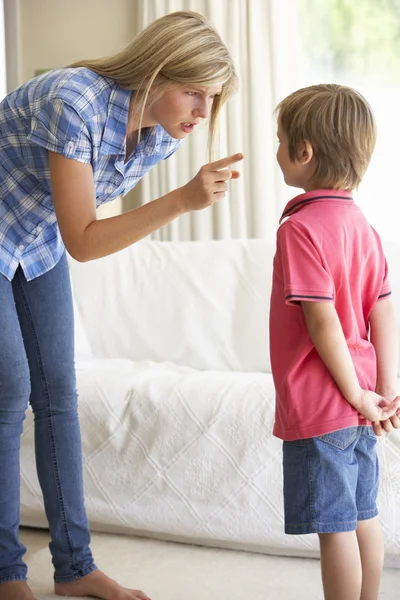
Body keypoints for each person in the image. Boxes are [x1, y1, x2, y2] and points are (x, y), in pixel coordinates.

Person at [0, 10, 243, 600]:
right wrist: (182, 202)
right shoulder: (74, 102)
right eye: (194, 92)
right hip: (26, 231)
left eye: (212, 98)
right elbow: (86, 239)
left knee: (58, 391)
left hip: (35, 236)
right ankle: (6, 570)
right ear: (157, 72)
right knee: (8, 390)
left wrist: (179, 194)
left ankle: (74, 567)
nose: (202, 113)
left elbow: (71, 231)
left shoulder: (161, 135)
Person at [269, 83, 400, 600]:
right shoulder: (362, 226)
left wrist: (351, 394)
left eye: (279, 141)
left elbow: (322, 323)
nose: (276, 151)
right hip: (363, 400)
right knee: (363, 514)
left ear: (304, 152)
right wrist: (383, 391)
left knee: (335, 528)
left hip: (325, 402)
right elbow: (383, 310)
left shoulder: (299, 228)